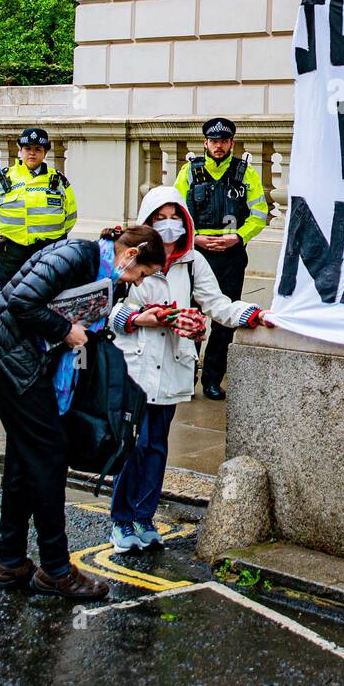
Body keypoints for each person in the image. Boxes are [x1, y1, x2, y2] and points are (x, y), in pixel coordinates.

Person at [0, 225, 165, 601]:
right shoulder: (77, 255)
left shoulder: (103, 274)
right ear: (131, 255)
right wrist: (66, 330)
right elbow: (22, 303)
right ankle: (56, 571)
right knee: (47, 456)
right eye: (142, 273)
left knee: (24, 458)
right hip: (7, 355)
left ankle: (10, 563)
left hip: (21, 356)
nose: (138, 282)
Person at [108, 186, 272, 551]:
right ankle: (121, 520)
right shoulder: (126, 256)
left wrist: (255, 315)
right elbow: (106, 311)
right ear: (147, 223)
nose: (169, 227)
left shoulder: (193, 261)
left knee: (156, 445)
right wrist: (138, 318)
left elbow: (218, 304)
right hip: (133, 365)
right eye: (160, 219)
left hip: (171, 363)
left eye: (175, 219)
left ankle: (144, 518)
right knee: (132, 444)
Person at [174, 118, 269, 400]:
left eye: (224, 141)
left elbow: (260, 213)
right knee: (191, 315)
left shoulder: (245, 172)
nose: (218, 146)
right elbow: (177, 212)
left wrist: (238, 236)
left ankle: (213, 380)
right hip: (197, 251)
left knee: (225, 319)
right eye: (213, 141)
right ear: (205, 143)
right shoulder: (189, 172)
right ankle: (185, 378)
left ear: (231, 143)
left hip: (231, 254)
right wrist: (195, 239)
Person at [0, 126, 79, 288]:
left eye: (38, 149)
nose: (32, 153)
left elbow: (70, 217)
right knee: (9, 301)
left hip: (48, 251)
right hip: (11, 252)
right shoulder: (2, 179)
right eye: (27, 148)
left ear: (45, 153)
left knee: (47, 298)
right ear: (20, 151)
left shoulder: (59, 181)